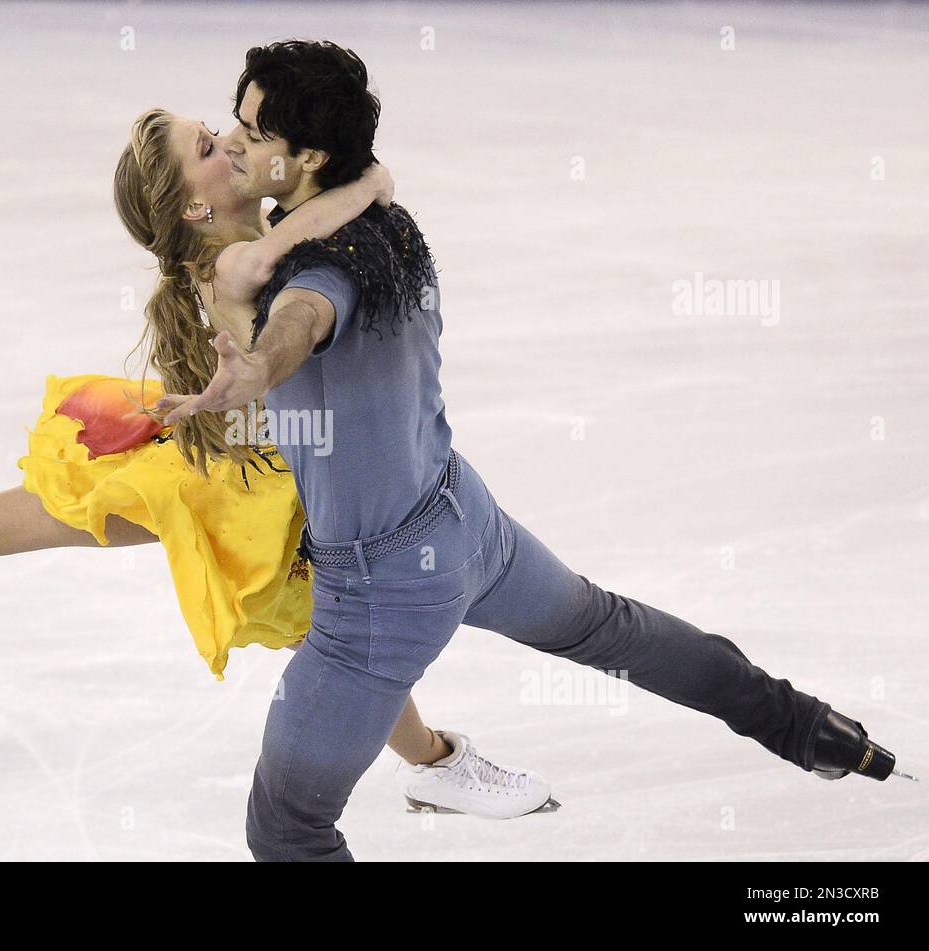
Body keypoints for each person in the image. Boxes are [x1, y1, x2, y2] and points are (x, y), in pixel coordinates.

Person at [0, 115, 553, 822]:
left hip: (222, 464)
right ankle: (436, 764)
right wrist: (366, 180)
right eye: (209, 147)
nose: (228, 140)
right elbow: (342, 224)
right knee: (351, 625)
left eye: (215, 129)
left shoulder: (249, 247)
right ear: (195, 211)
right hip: (241, 491)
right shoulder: (248, 265)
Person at [160, 40, 908, 862]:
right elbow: (326, 230)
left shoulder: (307, 272)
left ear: (306, 157)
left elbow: (302, 315)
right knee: (612, 628)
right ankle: (806, 726)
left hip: (380, 589)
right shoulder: (380, 222)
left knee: (286, 826)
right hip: (466, 526)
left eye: (252, 130)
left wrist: (261, 363)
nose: (234, 140)